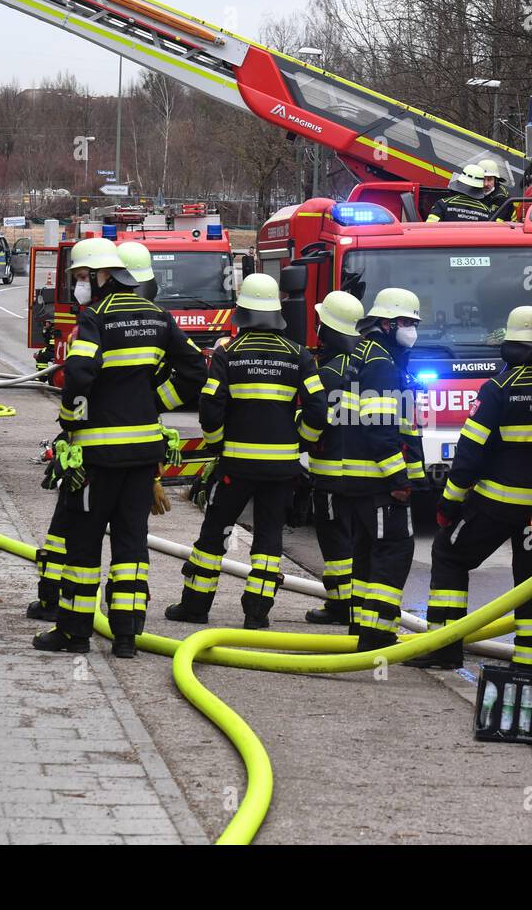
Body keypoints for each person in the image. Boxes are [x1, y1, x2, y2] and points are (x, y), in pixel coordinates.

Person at [33, 237, 206, 658]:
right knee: (131, 543)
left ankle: (74, 634)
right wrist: (154, 401)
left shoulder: (96, 317)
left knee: (84, 544)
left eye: (80, 276)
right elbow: (195, 369)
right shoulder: (157, 315)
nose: (79, 284)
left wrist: (75, 417)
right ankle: (127, 636)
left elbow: (79, 372)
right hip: (143, 455)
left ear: (100, 275)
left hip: (98, 456)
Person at [165, 273, 327, 630]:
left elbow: (210, 405)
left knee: (215, 534)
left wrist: (216, 442)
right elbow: (318, 407)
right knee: (270, 538)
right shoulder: (299, 355)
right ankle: (257, 615)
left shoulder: (228, 354)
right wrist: (300, 439)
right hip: (282, 467)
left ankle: (195, 606)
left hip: (236, 466)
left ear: (242, 313)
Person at [409, 306, 532, 669]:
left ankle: (443, 647)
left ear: (511, 346)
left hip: (496, 506)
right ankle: (531, 662)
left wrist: (449, 504)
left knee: (449, 554)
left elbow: (469, 455)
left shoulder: (498, 389)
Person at [334, 288, 423, 652]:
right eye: (405, 323)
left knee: (367, 552)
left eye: (414, 323)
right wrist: (398, 480)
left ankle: (361, 627)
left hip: (355, 479)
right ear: (386, 324)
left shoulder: (364, 353)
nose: (411, 330)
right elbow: (380, 429)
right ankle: (377, 634)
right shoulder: (383, 364)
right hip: (377, 482)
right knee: (394, 551)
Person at [303, 291, 366, 626]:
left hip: (332, 474)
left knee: (336, 540)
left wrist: (300, 440)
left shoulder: (327, 373)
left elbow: (317, 420)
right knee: (360, 539)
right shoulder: (370, 365)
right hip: (366, 474)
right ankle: (358, 603)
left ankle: (341, 606)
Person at [426, 164, 494, 223]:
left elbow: (428, 229)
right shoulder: (487, 212)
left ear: (459, 182)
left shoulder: (442, 204)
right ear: (480, 187)